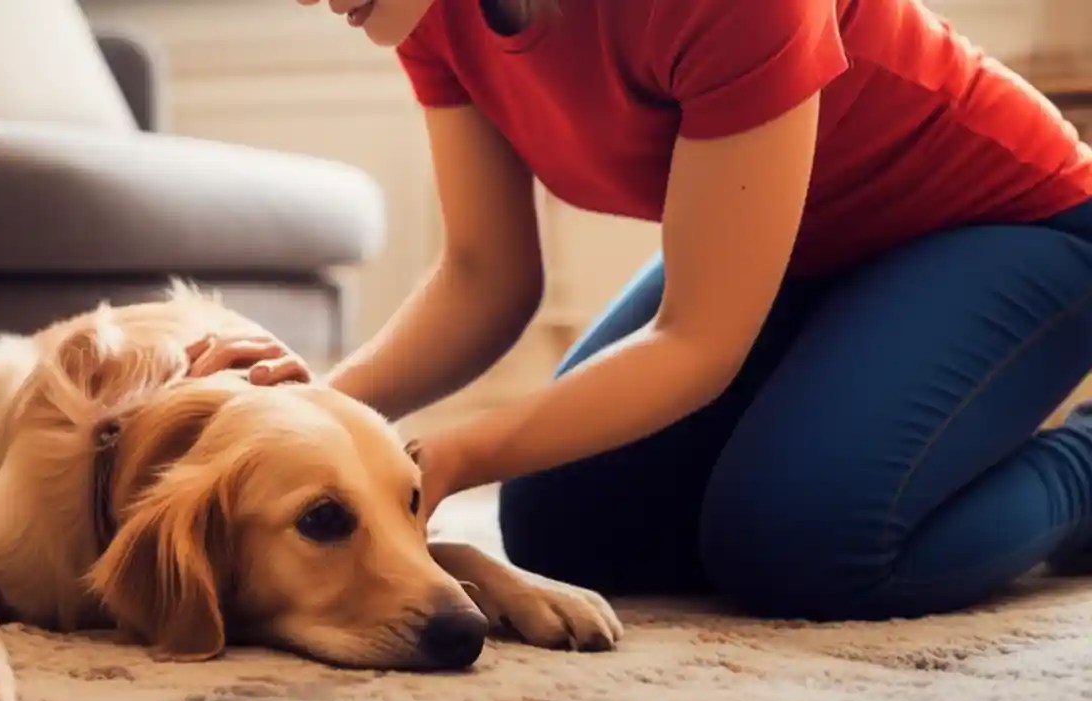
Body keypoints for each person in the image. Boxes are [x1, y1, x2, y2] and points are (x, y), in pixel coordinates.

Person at [246, 0, 1092, 621]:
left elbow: (697, 341)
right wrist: (325, 408)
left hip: (1013, 224)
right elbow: (485, 276)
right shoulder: (427, 11)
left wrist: (455, 452)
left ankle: (1080, 467)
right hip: (803, 257)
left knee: (802, 546)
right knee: (564, 525)